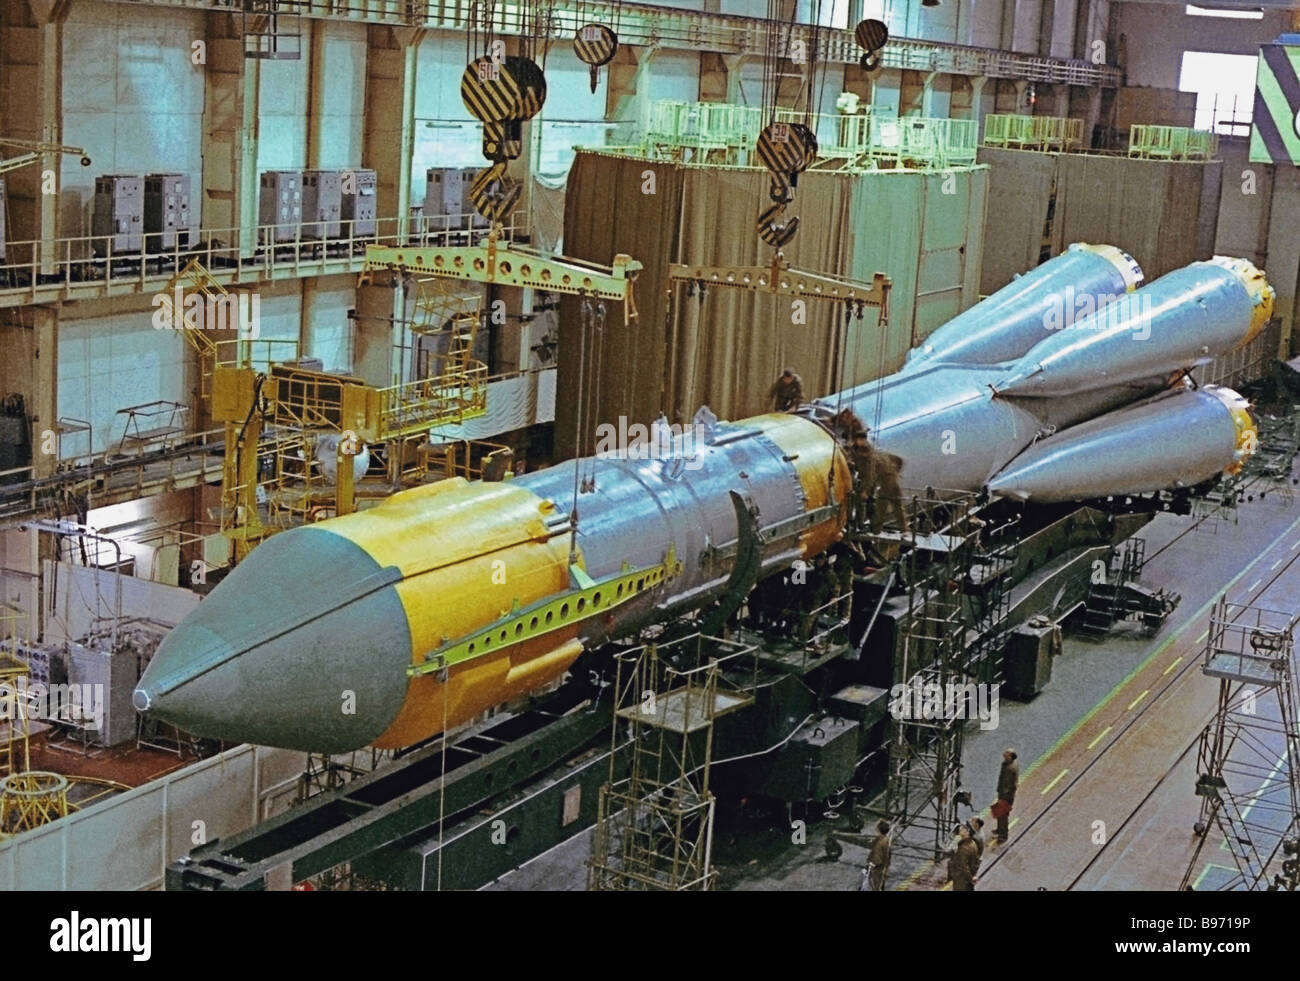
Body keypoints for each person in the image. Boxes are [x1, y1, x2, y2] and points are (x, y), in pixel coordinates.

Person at [995, 748, 1019, 844]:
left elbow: (1006, 784)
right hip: (1005, 794)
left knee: (1003, 815)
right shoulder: (1008, 764)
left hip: (1006, 796)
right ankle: (1000, 829)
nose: (1004, 754)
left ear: (1010, 756)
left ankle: (1003, 835)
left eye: (1006, 753)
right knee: (1000, 813)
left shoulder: (1010, 768)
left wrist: (1002, 798)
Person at [948, 824, 979, 891]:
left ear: (967, 833)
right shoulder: (972, 843)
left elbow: (964, 867)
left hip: (961, 880)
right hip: (969, 877)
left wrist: (970, 879)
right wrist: (973, 876)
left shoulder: (963, 849)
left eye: (963, 829)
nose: (961, 830)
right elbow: (976, 861)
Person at [867, 819, 892, 891]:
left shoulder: (879, 843)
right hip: (884, 864)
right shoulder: (886, 839)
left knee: (875, 884)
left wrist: (871, 864)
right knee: (880, 882)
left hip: (878, 867)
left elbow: (877, 857)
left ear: (878, 829)